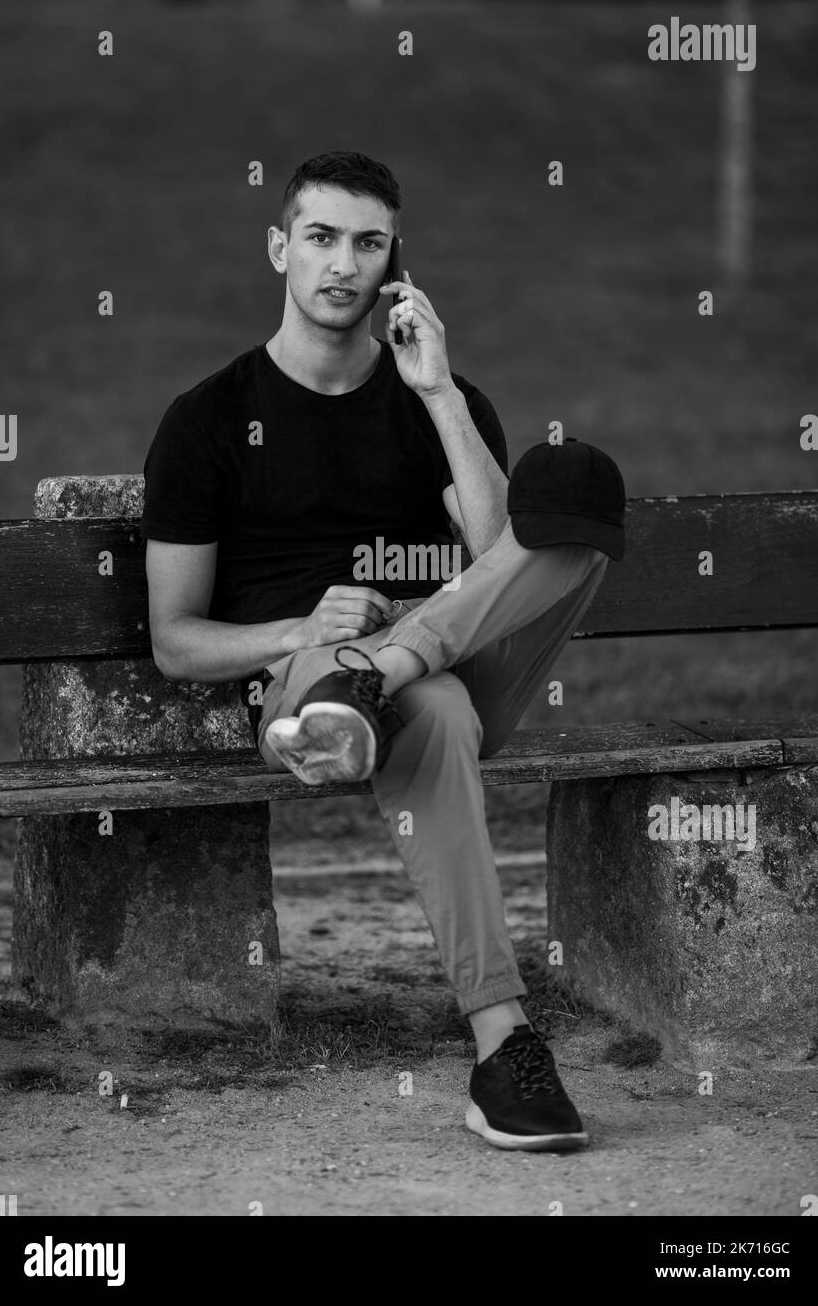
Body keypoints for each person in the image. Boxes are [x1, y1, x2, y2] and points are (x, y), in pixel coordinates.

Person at [141, 150, 625, 1151]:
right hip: (306, 687)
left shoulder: (435, 396)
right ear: (280, 248)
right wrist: (304, 634)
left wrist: (439, 390)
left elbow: (514, 562)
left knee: (577, 497)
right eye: (319, 237)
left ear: (393, 263)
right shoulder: (206, 423)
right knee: (435, 710)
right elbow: (175, 643)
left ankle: (387, 670)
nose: (341, 264)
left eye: (367, 243)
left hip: (431, 652)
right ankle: (505, 1046)